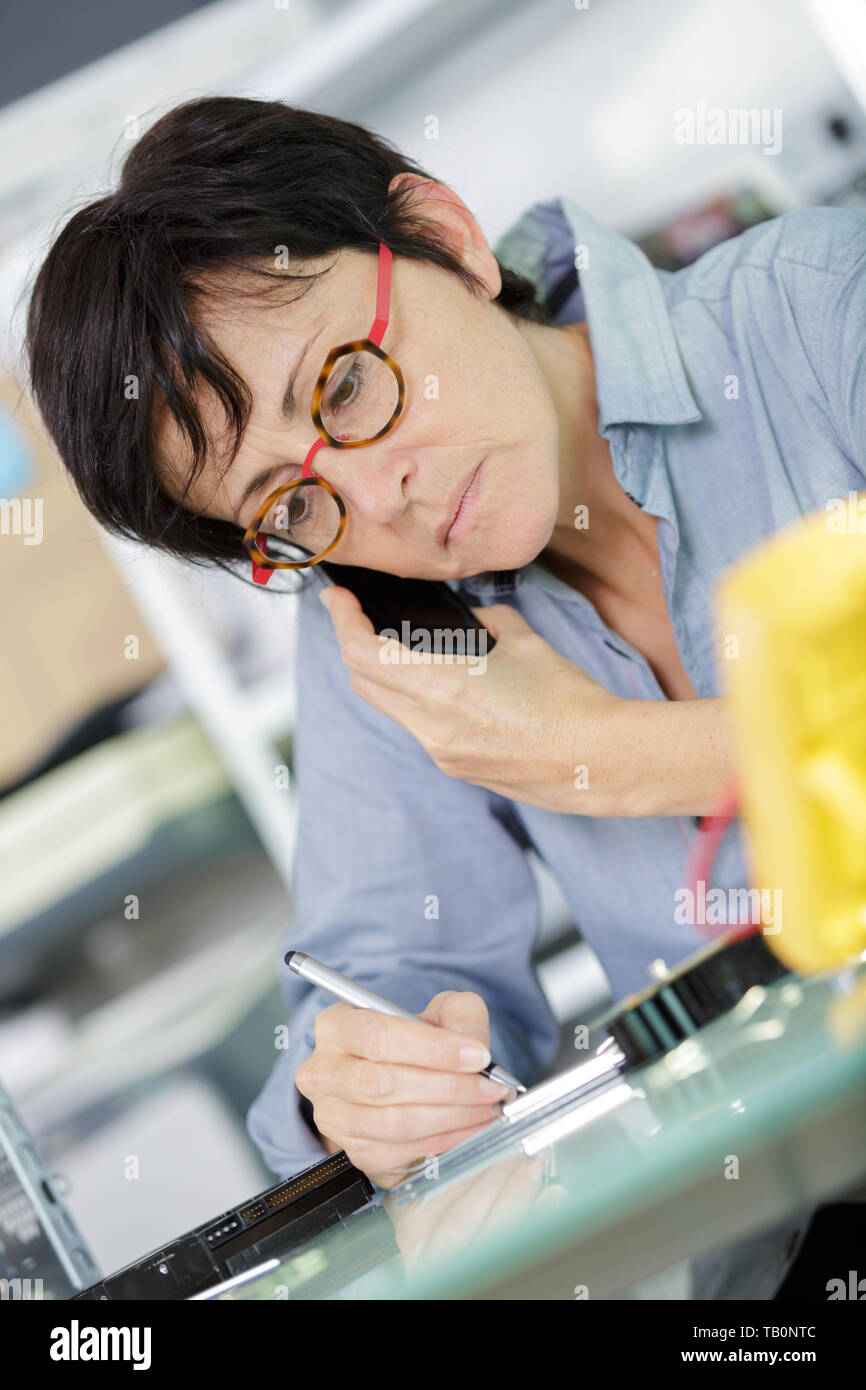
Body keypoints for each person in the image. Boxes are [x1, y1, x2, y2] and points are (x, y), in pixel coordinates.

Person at [24, 96, 865, 1298]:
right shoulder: (380, 617)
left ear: (443, 237)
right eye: (287, 505)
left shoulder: (814, 311)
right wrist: (363, 1087)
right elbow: (378, 970)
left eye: (348, 388)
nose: (383, 500)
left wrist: (610, 755)